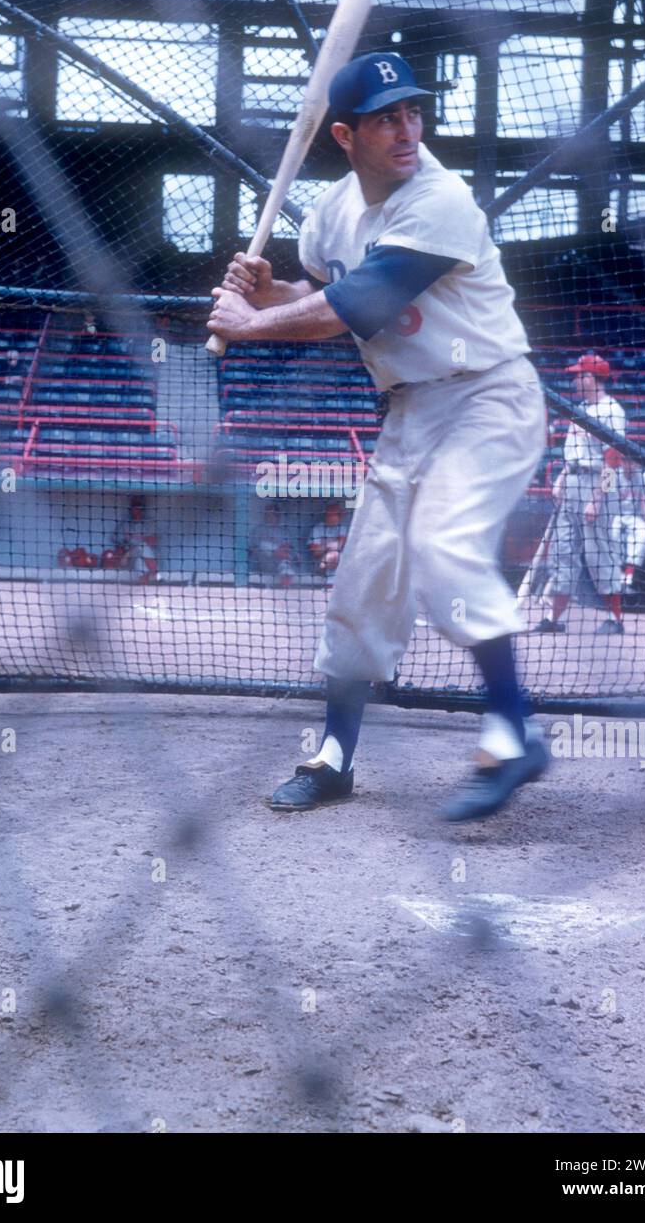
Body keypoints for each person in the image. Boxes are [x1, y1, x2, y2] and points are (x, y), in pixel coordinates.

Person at [207, 51, 548, 822]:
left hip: (488, 397)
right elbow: (321, 291)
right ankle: (333, 756)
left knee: (446, 542)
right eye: (386, 117)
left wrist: (253, 323)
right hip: (410, 413)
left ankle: (512, 730)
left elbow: (361, 302)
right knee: (363, 581)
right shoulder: (332, 213)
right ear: (344, 135)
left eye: (413, 113)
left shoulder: (441, 199)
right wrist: (273, 291)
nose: (406, 130)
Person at [533, 353, 628, 636]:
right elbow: (573, 455)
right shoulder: (579, 408)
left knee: (600, 552)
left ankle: (615, 619)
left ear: (593, 377)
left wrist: (598, 498)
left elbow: (613, 459)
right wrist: (562, 479)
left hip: (596, 484)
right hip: (573, 481)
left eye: (579, 375)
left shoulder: (613, 411)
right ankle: (553, 618)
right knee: (563, 551)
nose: (575, 379)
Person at [610, 460, 645, 593]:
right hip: (613, 514)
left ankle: (629, 576)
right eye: (626, 461)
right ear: (621, 461)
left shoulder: (643, 476)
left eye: (633, 462)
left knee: (642, 534)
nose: (630, 465)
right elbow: (603, 499)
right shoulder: (611, 472)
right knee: (611, 533)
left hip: (634, 516)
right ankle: (617, 574)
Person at [250, 504, 295, 588]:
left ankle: (286, 590)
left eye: (272, 515)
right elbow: (253, 549)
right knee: (264, 545)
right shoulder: (258, 530)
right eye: (267, 515)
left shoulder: (284, 531)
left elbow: (288, 547)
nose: (269, 517)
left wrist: (278, 552)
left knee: (286, 567)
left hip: (279, 563)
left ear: (278, 516)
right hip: (262, 562)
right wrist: (273, 551)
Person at [307, 501, 347, 579]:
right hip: (319, 562)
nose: (340, 517)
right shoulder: (318, 529)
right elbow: (316, 552)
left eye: (340, 515)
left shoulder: (342, 528)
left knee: (336, 555)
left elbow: (339, 546)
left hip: (338, 562)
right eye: (335, 514)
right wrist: (330, 546)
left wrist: (326, 547)